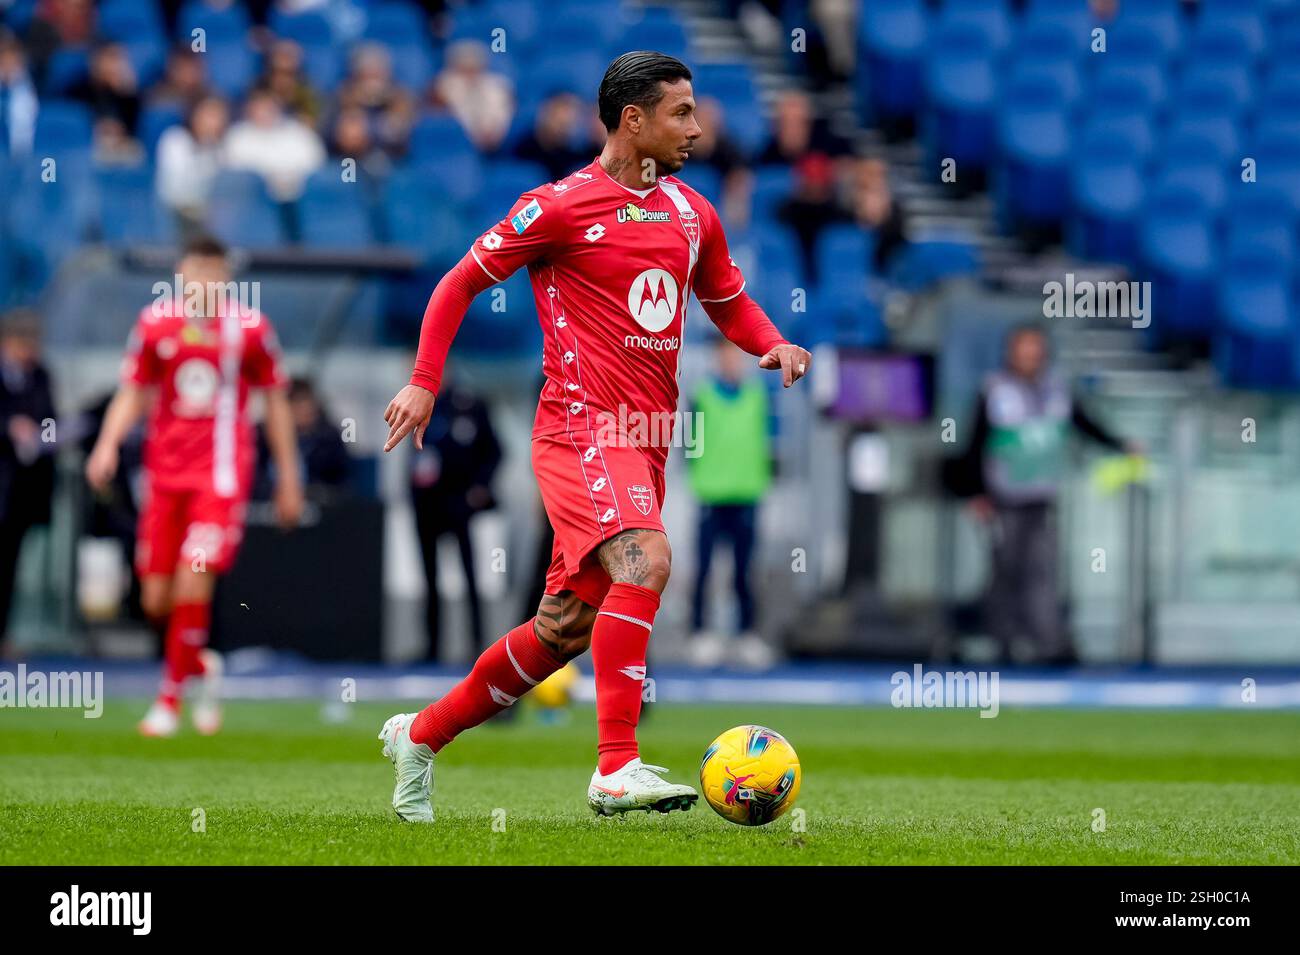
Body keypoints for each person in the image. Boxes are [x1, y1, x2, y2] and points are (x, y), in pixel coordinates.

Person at [380, 50, 812, 822]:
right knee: (647, 557)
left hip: (644, 439)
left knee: (562, 630)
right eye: (681, 112)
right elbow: (459, 282)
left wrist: (770, 342)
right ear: (632, 119)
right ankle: (616, 767)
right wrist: (423, 378)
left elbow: (728, 299)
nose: (697, 127)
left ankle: (419, 735)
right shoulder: (556, 206)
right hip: (580, 426)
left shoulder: (691, 214)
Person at [85, 236, 303, 737]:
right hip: (163, 479)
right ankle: (202, 667)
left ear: (226, 276)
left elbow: (275, 404)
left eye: (213, 270)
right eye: (195, 269)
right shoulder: (154, 323)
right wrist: (106, 445)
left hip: (220, 479)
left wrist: (289, 479)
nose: (203, 279)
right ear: (180, 273)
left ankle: (167, 700)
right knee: (156, 600)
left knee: (193, 578)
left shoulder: (250, 329)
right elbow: (132, 391)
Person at [964, 325, 1138, 665]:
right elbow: (975, 443)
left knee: (1042, 570)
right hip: (1005, 498)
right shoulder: (994, 391)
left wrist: (1120, 445)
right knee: (1005, 571)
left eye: (1035, 350)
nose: (1029, 357)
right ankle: (1003, 643)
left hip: (1042, 497)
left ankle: (1049, 644)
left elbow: (1085, 425)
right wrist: (976, 493)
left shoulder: (1056, 391)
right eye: (1023, 350)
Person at [687, 338, 773, 669]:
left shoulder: (757, 395)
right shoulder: (703, 396)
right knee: (705, 568)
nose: (730, 362)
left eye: (735, 356)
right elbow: (691, 445)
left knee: (744, 570)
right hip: (710, 493)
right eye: (725, 356)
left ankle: (747, 634)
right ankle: (700, 632)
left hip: (747, 494)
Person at [410, 374, 501, 661]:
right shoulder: (414, 404)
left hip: (459, 503)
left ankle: (478, 646)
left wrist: (480, 488)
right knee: (429, 577)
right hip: (426, 504)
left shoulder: (468, 404)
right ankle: (432, 648)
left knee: (470, 575)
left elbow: (495, 451)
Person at [0, 310, 57, 655]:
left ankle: (2, 635)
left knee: (8, 566)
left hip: (21, 492)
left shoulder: (41, 376)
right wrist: (9, 428)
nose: (29, 351)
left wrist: (43, 435)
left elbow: (52, 419)